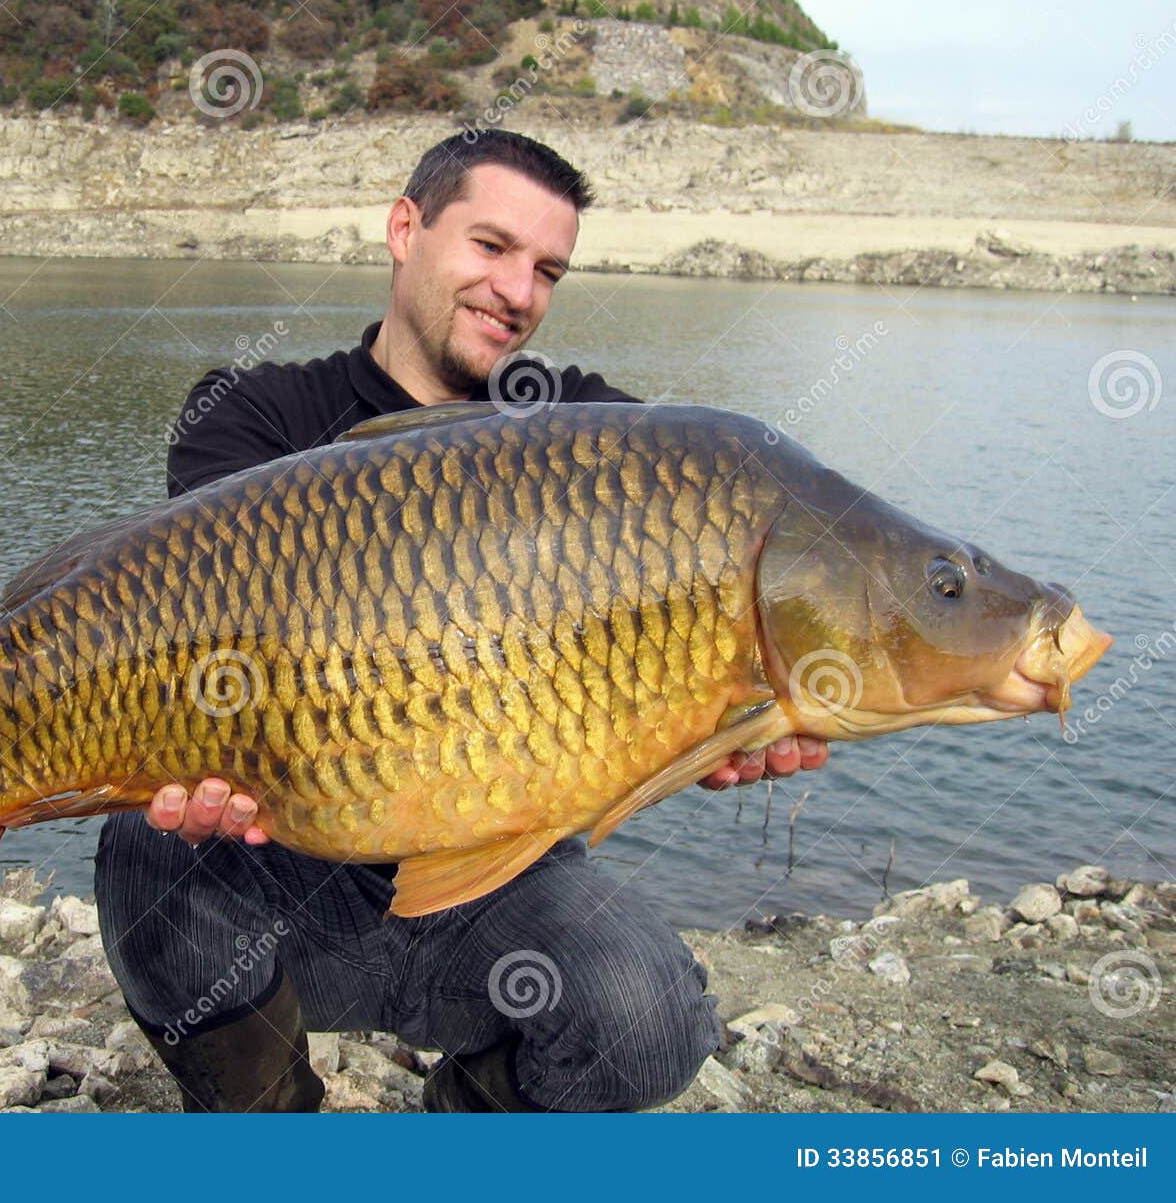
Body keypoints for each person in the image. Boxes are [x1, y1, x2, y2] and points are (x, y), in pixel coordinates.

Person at [94, 129, 828, 1113]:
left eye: (547, 269)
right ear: (406, 229)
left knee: (651, 1019)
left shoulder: (599, 436)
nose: (517, 291)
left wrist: (716, 719)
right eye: (490, 247)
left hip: (499, 881)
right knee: (146, 842)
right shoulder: (253, 416)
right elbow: (196, 633)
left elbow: (678, 636)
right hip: (286, 872)